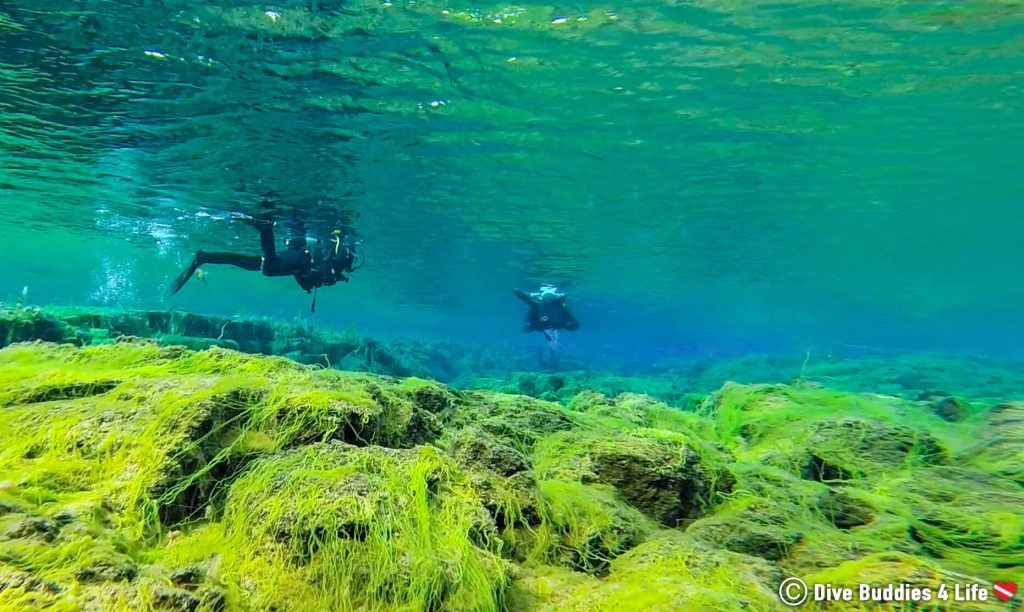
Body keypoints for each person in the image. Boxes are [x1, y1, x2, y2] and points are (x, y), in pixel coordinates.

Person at [168, 214, 362, 311]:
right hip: (299, 259)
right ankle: (265, 228)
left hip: (296, 261)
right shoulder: (333, 265)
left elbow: (306, 278)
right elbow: (315, 274)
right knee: (268, 269)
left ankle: (204, 257)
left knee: (251, 263)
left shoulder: (334, 266)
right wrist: (321, 279)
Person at [514, 284, 579, 362]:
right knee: (551, 339)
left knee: (552, 340)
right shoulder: (540, 306)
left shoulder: (559, 308)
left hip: (548, 324)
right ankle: (551, 354)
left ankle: (551, 355)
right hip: (545, 324)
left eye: (551, 300)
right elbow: (527, 301)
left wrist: (568, 324)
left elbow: (573, 325)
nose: (549, 303)